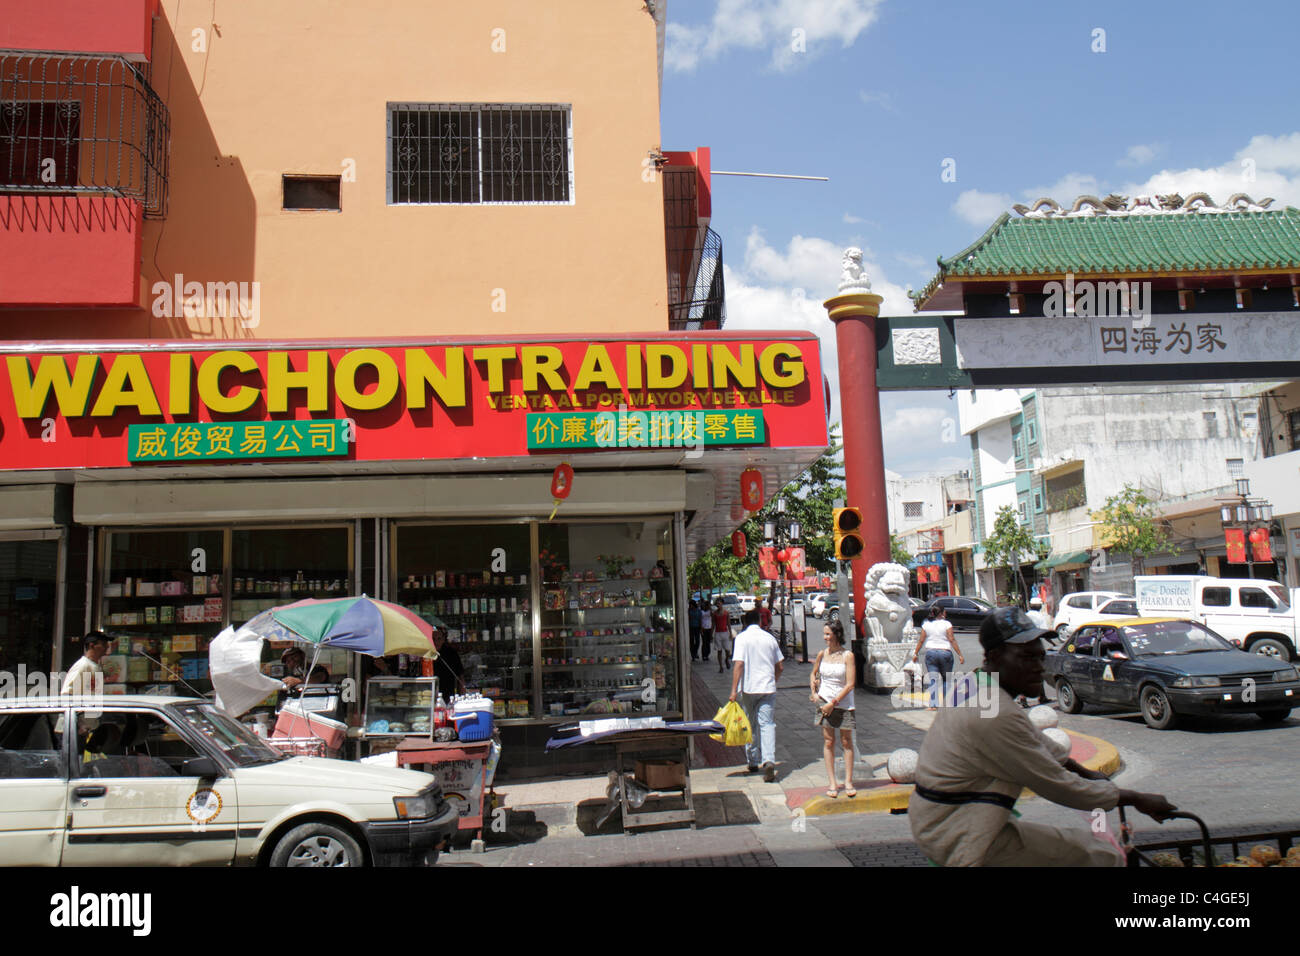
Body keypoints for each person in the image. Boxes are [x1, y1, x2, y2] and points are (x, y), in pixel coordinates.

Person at [908, 606, 1176, 866]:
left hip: (944, 819)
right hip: (960, 833)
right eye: (1026, 658)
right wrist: (1136, 799)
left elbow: (1030, 740)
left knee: (1079, 847)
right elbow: (1058, 785)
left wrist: (1083, 770)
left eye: (1040, 657)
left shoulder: (974, 682)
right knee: (1101, 855)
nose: (1039, 667)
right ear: (995, 656)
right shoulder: (993, 713)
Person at [728, 608, 783, 782]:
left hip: (749, 689)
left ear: (745, 622)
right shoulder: (769, 638)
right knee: (767, 724)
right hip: (767, 688)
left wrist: (733, 691)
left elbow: (739, 665)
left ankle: (752, 760)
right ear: (760, 621)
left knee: (750, 724)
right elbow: (780, 666)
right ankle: (769, 760)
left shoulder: (742, 639)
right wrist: (773, 680)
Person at [811, 620, 856, 798]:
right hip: (824, 701)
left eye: (828, 634)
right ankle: (832, 782)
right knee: (828, 741)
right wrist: (814, 692)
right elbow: (813, 673)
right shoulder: (822, 654)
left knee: (846, 741)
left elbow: (851, 684)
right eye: (824, 634)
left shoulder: (847, 656)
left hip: (842, 703)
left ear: (837, 634)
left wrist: (834, 702)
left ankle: (848, 781)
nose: (825, 637)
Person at [911, 605, 964, 709]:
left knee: (933, 679)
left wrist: (915, 653)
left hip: (931, 653)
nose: (946, 613)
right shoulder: (947, 624)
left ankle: (933, 705)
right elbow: (951, 639)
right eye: (945, 611)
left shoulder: (926, 624)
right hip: (945, 653)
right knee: (946, 679)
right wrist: (959, 654)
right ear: (941, 613)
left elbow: (921, 640)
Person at [430, 621, 465, 697]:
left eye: (439, 638)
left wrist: (462, 694)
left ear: (443, 639)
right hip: (430, 693)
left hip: (448, 693)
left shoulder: (451, 653)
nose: (436, 642)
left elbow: (460, 675)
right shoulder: (426, 653)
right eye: (433, 639)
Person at [712, 598, 732, 672]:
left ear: (722, 604)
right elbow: (713, 624)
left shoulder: (726, 613)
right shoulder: (714, 613)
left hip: (725, 632)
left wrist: (730, 633)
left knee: (727, 650)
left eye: (719, 603)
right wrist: (711, 634)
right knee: (719, 651)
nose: (718, 605)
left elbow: (728, 624)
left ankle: (726, 659)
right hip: (717, 633)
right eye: (717, 604)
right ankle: (721, 667)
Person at [699, 596, 714, 662]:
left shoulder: (709, 612)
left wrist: (710, 608)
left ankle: (707, 654)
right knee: (704, 642)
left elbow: (712, 615)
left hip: (709, 628)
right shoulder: (701, 612)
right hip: (704, 628)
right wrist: (701, 629)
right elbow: (700, 620)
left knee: (708, 642)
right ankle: (703, 655)